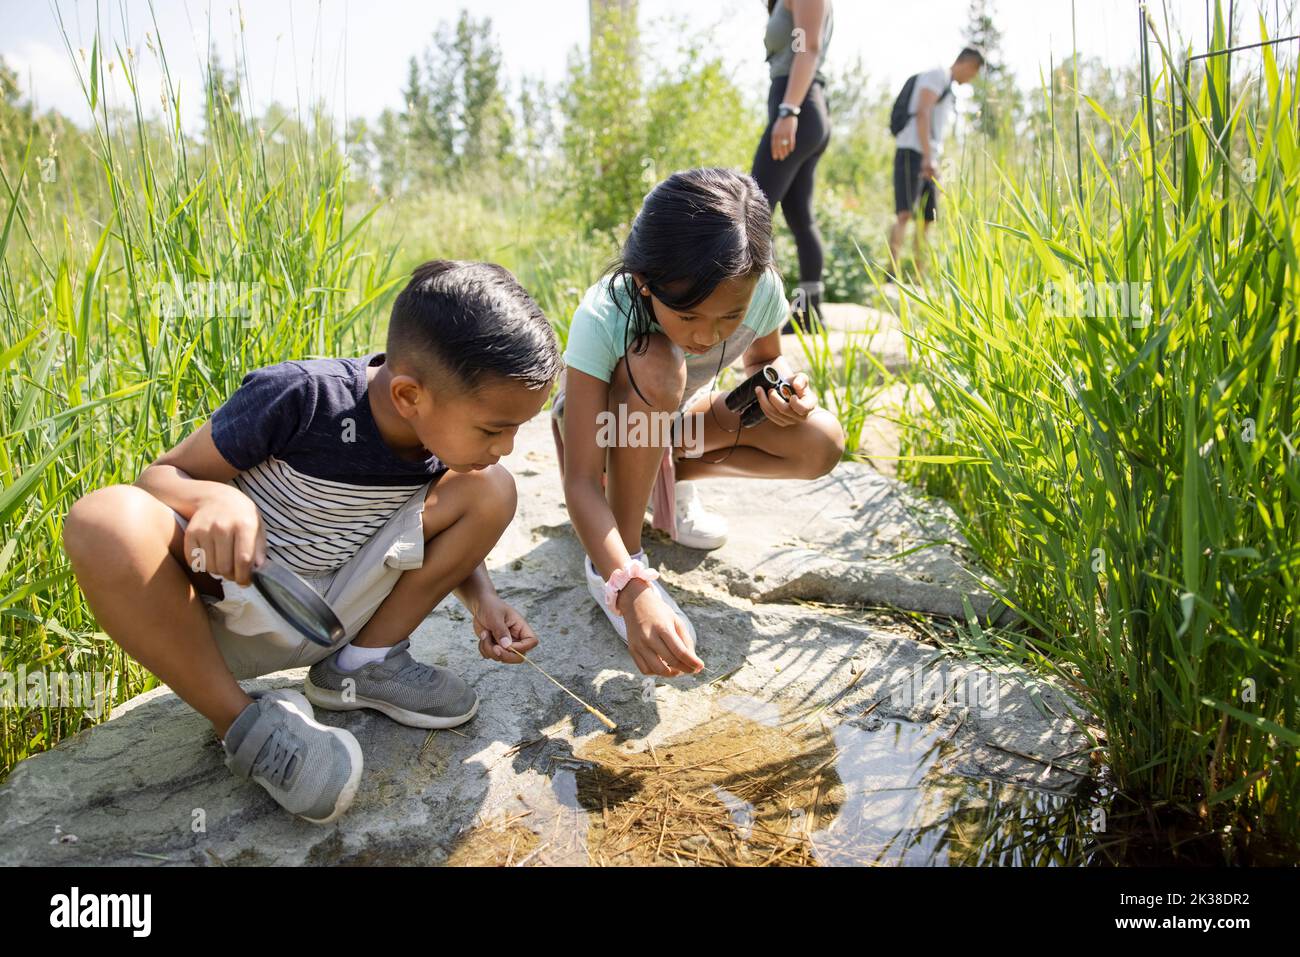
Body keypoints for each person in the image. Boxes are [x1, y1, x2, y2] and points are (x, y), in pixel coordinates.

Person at [62, 260, 559, 824]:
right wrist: (213, 500)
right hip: (236, 604)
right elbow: (161, 476)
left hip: (338, 608)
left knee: (492, 490)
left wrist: (483, 599)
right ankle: (245, 727)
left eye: (517, 428)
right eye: (495, 429)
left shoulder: (439, 434)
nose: (509, 445)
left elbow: (436, 525)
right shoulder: (300, 396)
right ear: (408, 396)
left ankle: (362, 666)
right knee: (102, 518)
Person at [551, 167, 846, 679]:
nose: (708, 336)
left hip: (672, 429)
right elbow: (578, 480)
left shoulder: (762, 289)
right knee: (660, 363)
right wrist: (631, 585)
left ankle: (663, 485)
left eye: (729, 317)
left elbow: (761, 362)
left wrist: (778, 390)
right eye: (688, 316)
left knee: (821, 439)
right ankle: (619, 559)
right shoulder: (606, 313)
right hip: (605, 436)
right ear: (645, 282)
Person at [750, 0, 834, 333]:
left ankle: (761, 312)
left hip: (798, 107)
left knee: (753, 208)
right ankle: (807, 312)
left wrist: (788, 112)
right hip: (799, 107)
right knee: (799, 214)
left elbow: (807, 48)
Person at [888, 46, 985, 277]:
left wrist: (933, 159)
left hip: (928, 157)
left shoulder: (947, 85)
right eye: (973, 73)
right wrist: (927, 158)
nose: (971, 79)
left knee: (927, 219)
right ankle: (891, 274)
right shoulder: (936, 76)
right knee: (904, 214)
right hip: (913, 153)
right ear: (968, 64)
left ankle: (918, 277)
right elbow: (923, 113)